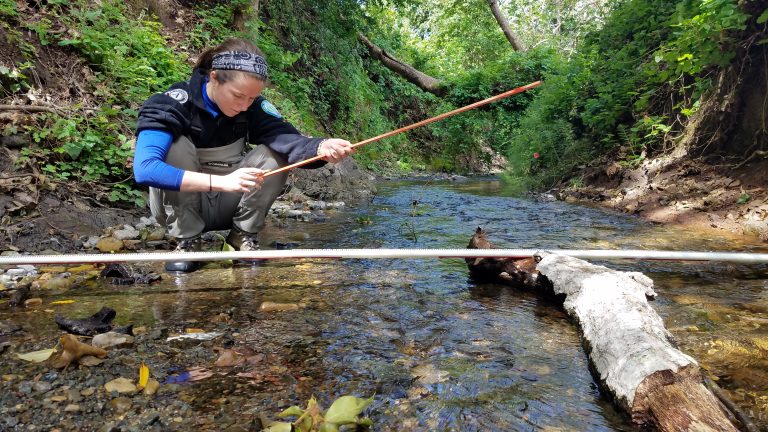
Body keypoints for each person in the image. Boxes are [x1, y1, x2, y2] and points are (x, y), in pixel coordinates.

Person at [133, 38, 353, 273]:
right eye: (238, 96)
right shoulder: (172, 103)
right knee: (174, 144)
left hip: (231, 202)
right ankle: (187, 240)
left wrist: (320, 147)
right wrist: (222, 182)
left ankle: (242, 235)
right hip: (184, 204)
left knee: (275, 152)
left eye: (251, 98)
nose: (245, 106)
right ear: (214, 77)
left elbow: (286, 139)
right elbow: (145, 168)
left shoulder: (253, 107)